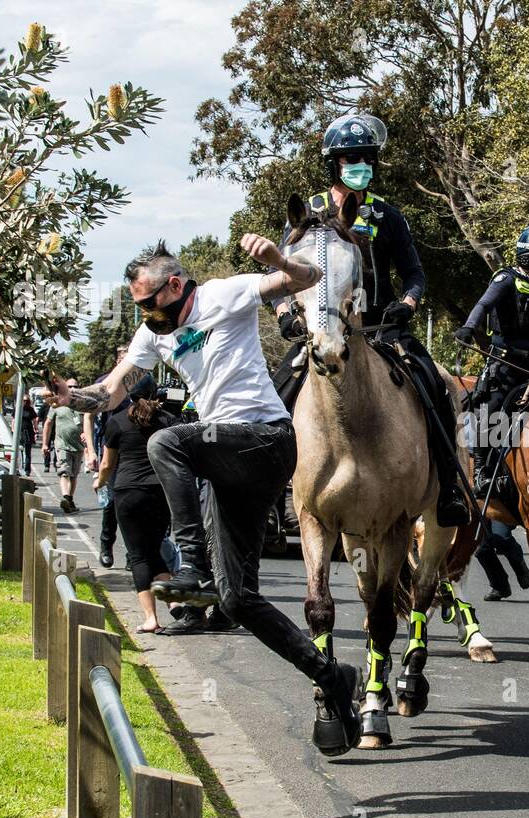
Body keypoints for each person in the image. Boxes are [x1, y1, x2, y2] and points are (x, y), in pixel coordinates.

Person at [42, 235, 364, 756]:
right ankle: (330, 677)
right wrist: (71, 397)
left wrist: (279, 261)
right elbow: (111, 390)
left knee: (167, 440)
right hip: (225, 458)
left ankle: (191, 561)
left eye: (151, 303)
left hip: (264, 438)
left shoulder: (223, 294)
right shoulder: (153, 334)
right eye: (139, 308)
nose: (147, 315)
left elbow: (307, 279)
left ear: (176, 286)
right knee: (239, 601)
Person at [272, 113, 468, 527]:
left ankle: (447, 488)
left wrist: (408, 304)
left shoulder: (388, 216)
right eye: (351, 159)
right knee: (279, 389)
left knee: (434, 384)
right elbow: (278, 276)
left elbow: (414, 273)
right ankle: (273, 488)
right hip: (321, 327)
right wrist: (285, 313)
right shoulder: (306, 213)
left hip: (383, 327)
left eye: (366, 158)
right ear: (334, 164)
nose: (361, 165)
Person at [456, 221, 529, 498]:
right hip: (506, 366)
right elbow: (484, 304)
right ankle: (482, 473)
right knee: (490, 410)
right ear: (528, 257)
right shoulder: (507, 280)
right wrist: (468, 327)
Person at [93, 377, 178, 634]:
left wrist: (99, 481)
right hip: (160, 492)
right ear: (156, 395)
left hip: (128, 492)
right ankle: (175, 602)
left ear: (131, 396)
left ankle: (151, 618)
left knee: (138, 556)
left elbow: (108, 464)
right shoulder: (167, 422)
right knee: (155, 551)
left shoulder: (117, 422)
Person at [84, 345, 132, 569]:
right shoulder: (106, 382)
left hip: (136, 449)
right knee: (112, 502)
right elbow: (89, 415)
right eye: (126, 359)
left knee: (134, 501)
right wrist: (91, 450)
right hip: (112, 446)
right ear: (118, 361)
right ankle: (106, 545)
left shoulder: (143, 383)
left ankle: (134, 554)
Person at [41, 379, 84, 512]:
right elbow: (48, 423)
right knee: (64, 471)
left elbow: (89, 422)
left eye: (75, 386)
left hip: (78, 446)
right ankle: (65, 498)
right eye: (69, 386)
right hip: (62, 444)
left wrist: (87, 437)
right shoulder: (57, 404)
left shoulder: (82, 404)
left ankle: (70, 500)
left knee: (74, 475)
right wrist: (44, 444)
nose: (72, 388)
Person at [475, 519, 529, 602]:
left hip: (499, 512)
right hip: (479, 515)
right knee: (482, 550)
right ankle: (500, 587)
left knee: (500, 538)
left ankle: (519, 563)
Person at [18, 396, 38, 476]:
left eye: (27, 400)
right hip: (19, 432)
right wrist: (13, 429)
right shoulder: (18, 409)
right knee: (19, 452)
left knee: (27, 452)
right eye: (24, 400)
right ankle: (20, 468)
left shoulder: (31, 410)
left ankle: (27, 470)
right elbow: (13, 420)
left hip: (28, 432)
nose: (25, 402)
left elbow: (34, 420)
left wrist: (35, 429)